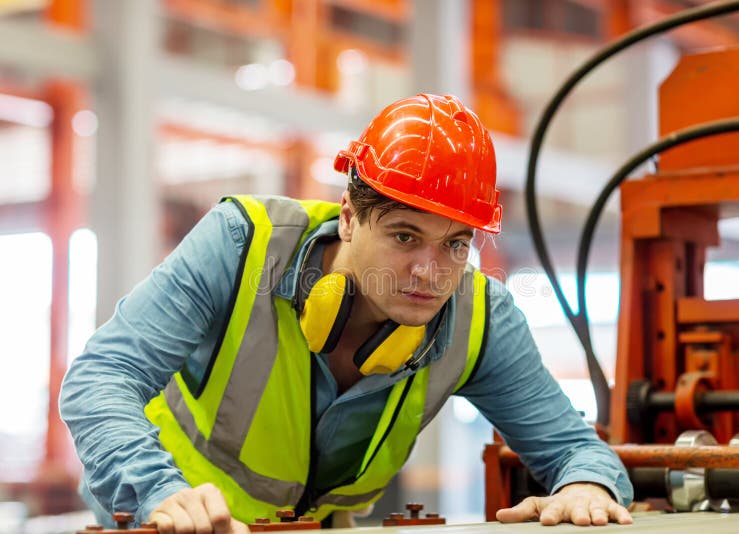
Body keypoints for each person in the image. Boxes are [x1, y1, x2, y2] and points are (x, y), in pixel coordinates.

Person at [60, 93, 633, 533]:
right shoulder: (242, 248)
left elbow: (575, 449)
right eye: (406, 236)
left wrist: (587, 487)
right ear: (351, 217)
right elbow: (100, 377)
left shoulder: (482, 317)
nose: (432, 272)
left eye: (456, 244)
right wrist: (160, 491)